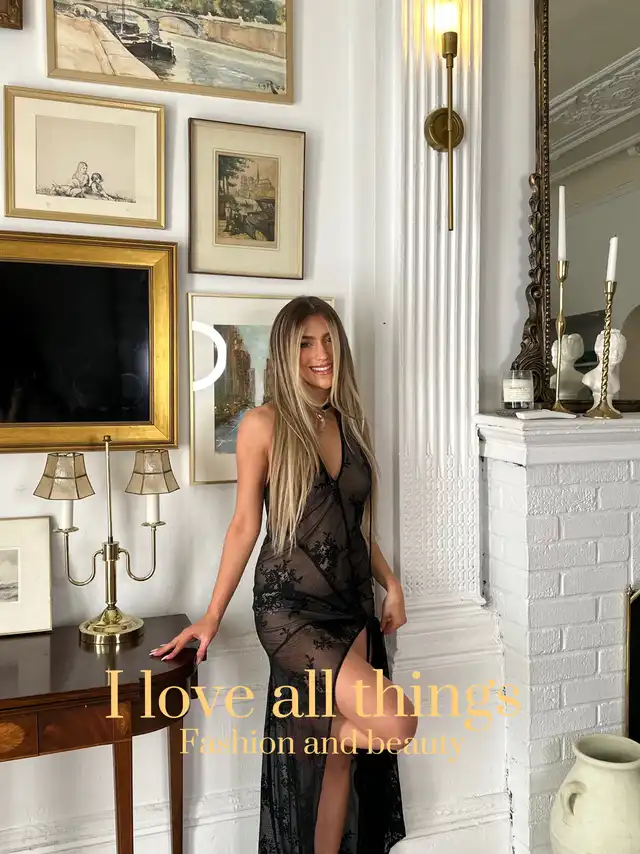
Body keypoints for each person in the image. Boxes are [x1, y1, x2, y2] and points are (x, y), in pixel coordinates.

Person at [150, 296, 414, 853]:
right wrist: (212, 615)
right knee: (396, 723)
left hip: (352, 606)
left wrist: (390, 583)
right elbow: (245, 524)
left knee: (335, 763)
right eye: (306, 343)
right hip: (290, 611)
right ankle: (313, 736)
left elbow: (354, 527)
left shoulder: (349, 423)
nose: (321, 354)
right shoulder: (263, 424)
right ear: (285, 353)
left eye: (329, 340)